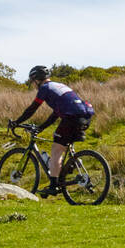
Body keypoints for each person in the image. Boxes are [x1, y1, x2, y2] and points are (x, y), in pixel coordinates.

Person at [9, 65, 92, 196]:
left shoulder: (45, 88)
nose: (33, 84)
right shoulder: (59, 86)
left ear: (37, 79)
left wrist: (17, 122)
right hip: (84, 117)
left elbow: (33, 107)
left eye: (32, 81)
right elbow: (56, 114)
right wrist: (41, 128)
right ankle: (70, 166)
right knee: (64, 145)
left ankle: (53, 186)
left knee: (56, 149)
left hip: (71, 118)